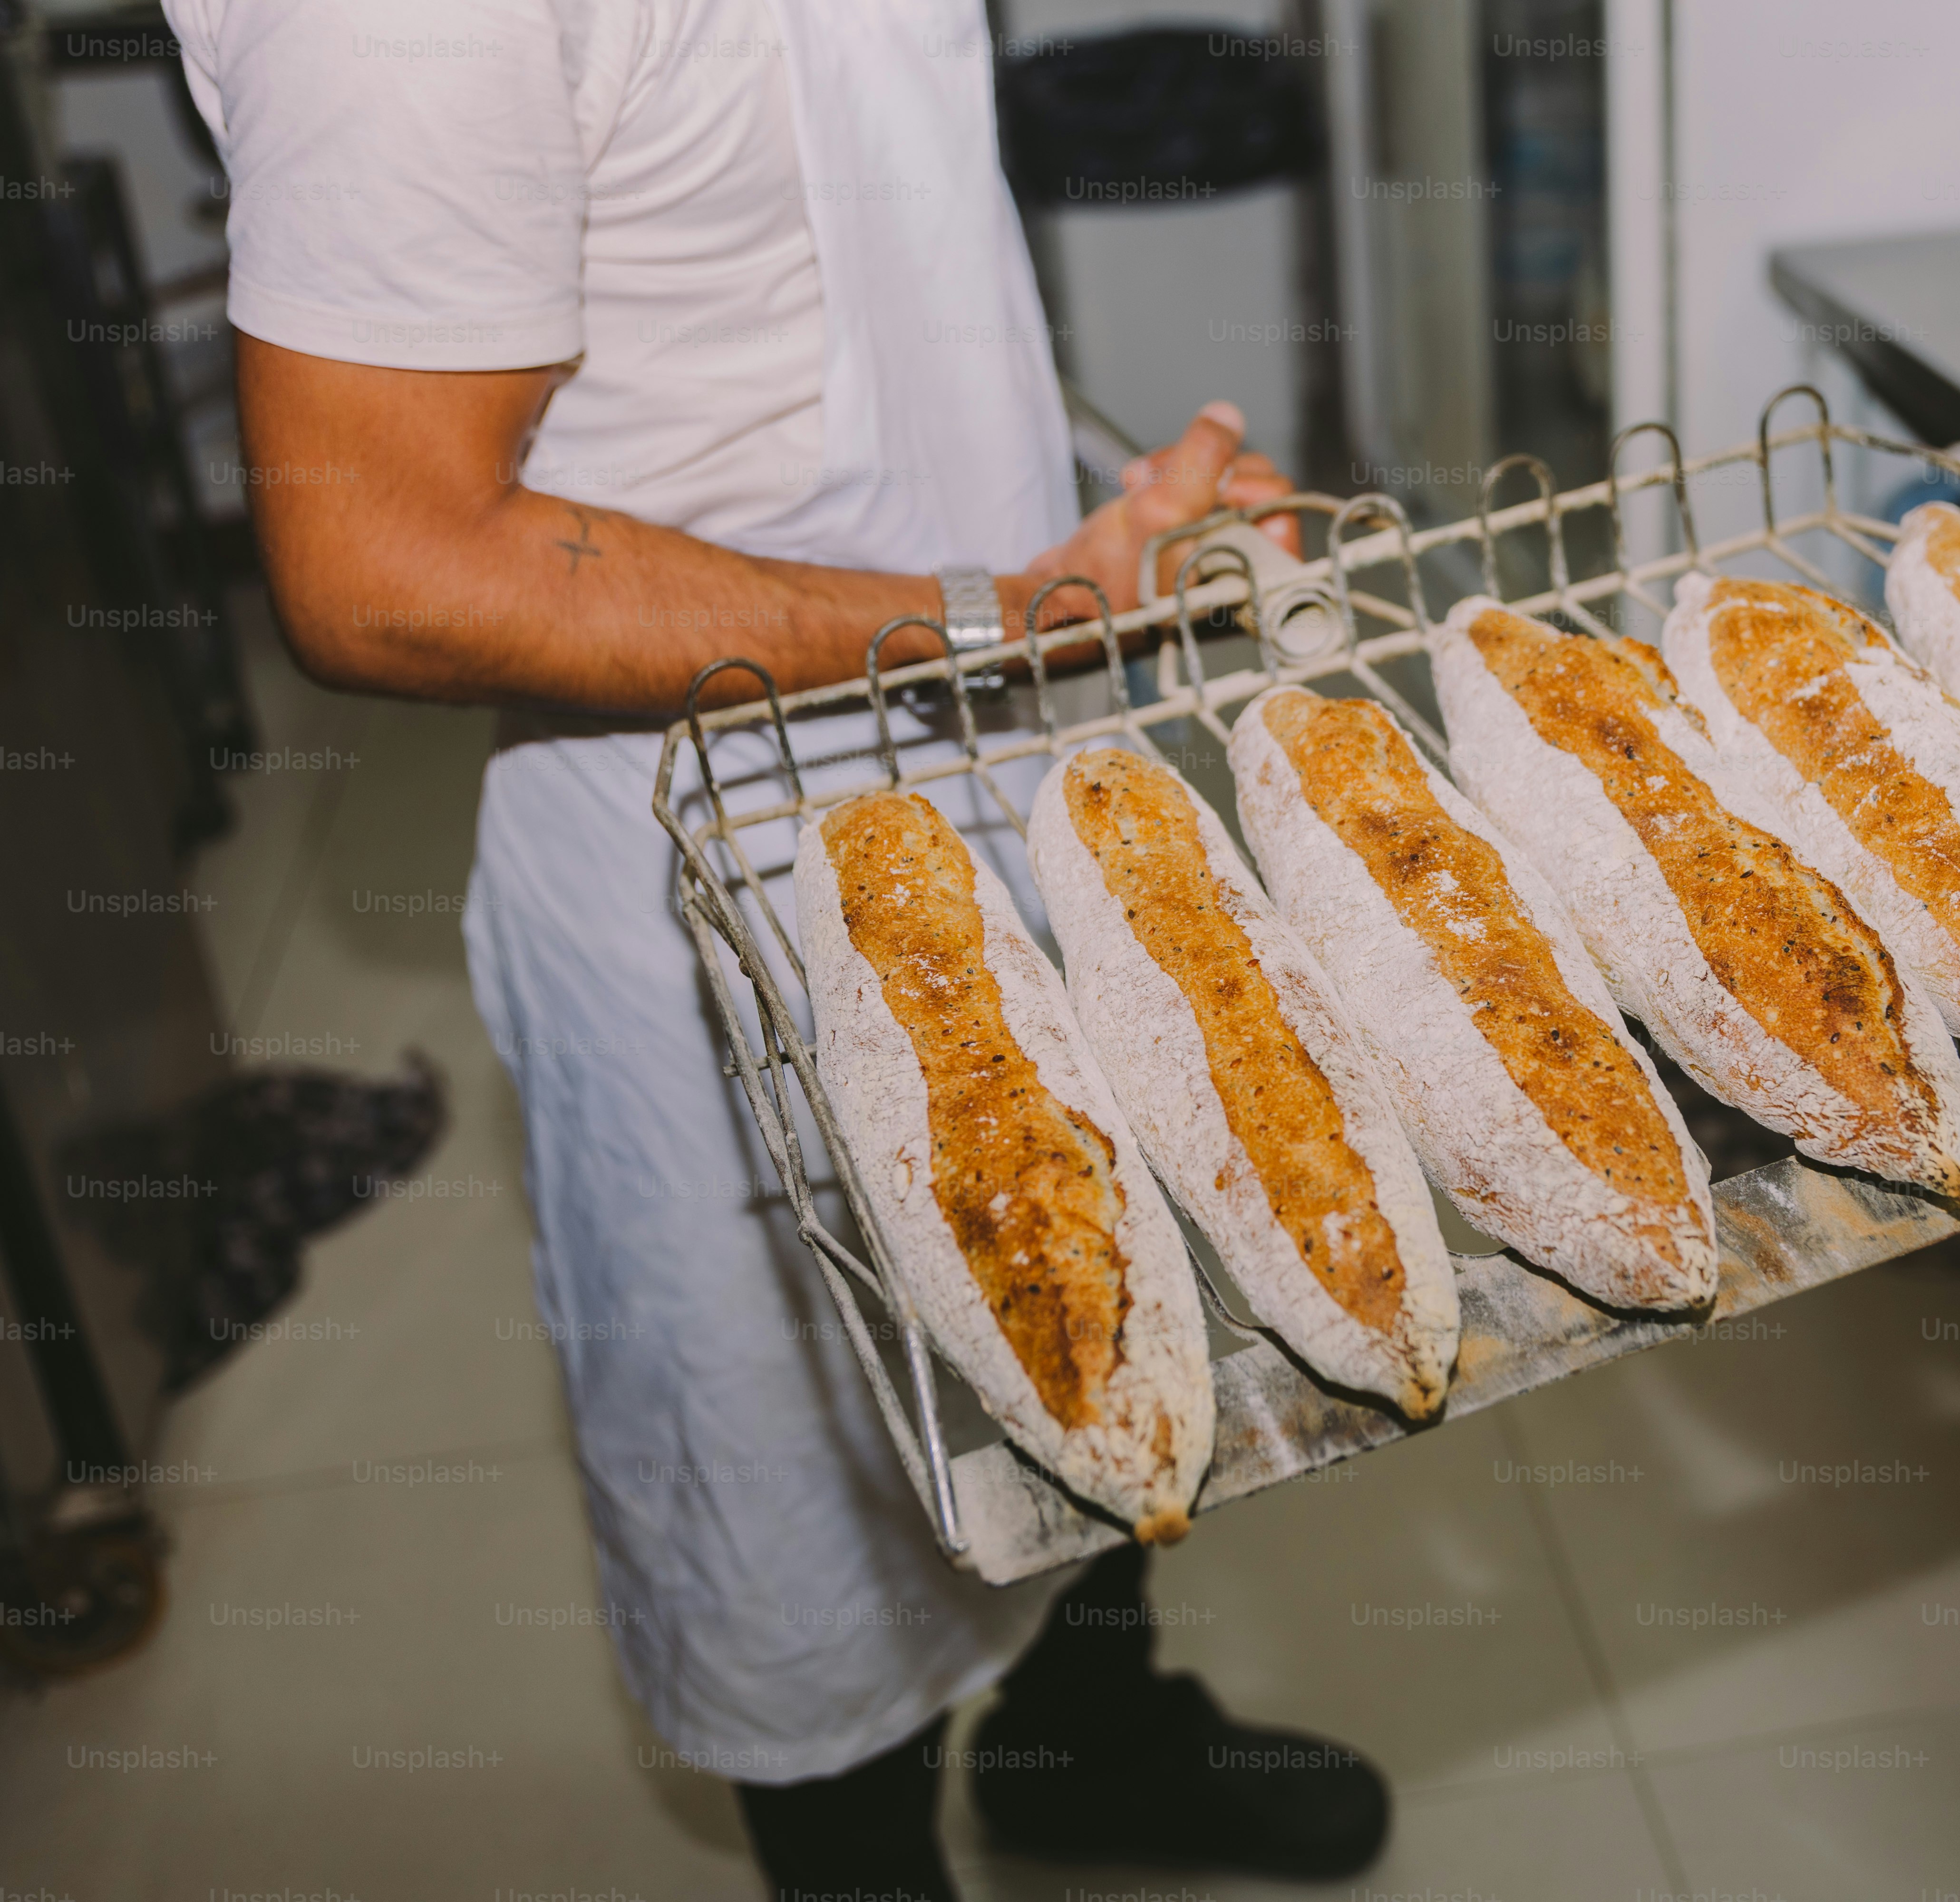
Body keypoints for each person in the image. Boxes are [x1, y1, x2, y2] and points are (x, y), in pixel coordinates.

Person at [164, 2, 1386, 1896]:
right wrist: (1003, 608)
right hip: (718, 860)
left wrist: (1071, 552)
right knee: (809, 1504)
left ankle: (1084, 1744)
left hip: (989, 702)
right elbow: (385, 556)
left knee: (1101, 1300)